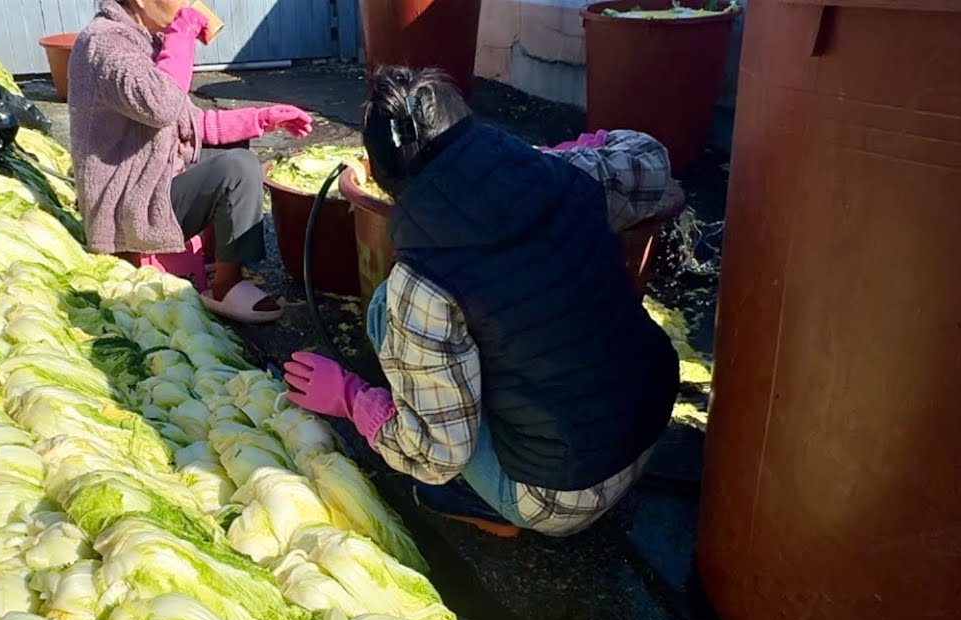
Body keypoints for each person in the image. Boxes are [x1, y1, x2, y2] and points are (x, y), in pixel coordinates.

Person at [284, 67, 683, 538]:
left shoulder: (421, 285)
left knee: (383, 311)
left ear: (385, 181)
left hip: (560, 496)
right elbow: (651, 163)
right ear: (468, 127)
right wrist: (582, 146)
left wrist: (352, 399)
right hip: (647, 422)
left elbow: (436, 455)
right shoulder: (567, 173)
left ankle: (491, 506)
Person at [68, 0, 314, 323]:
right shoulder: (105, 43)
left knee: (232, 146)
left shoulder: (142, 39)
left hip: (153, 176)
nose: (189, 3)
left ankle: (215, 258)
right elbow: (163, 105)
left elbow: (193, 125)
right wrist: (182, 33)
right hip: (125, 205)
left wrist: (264, 118)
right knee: (239, 169)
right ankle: (226, 285)